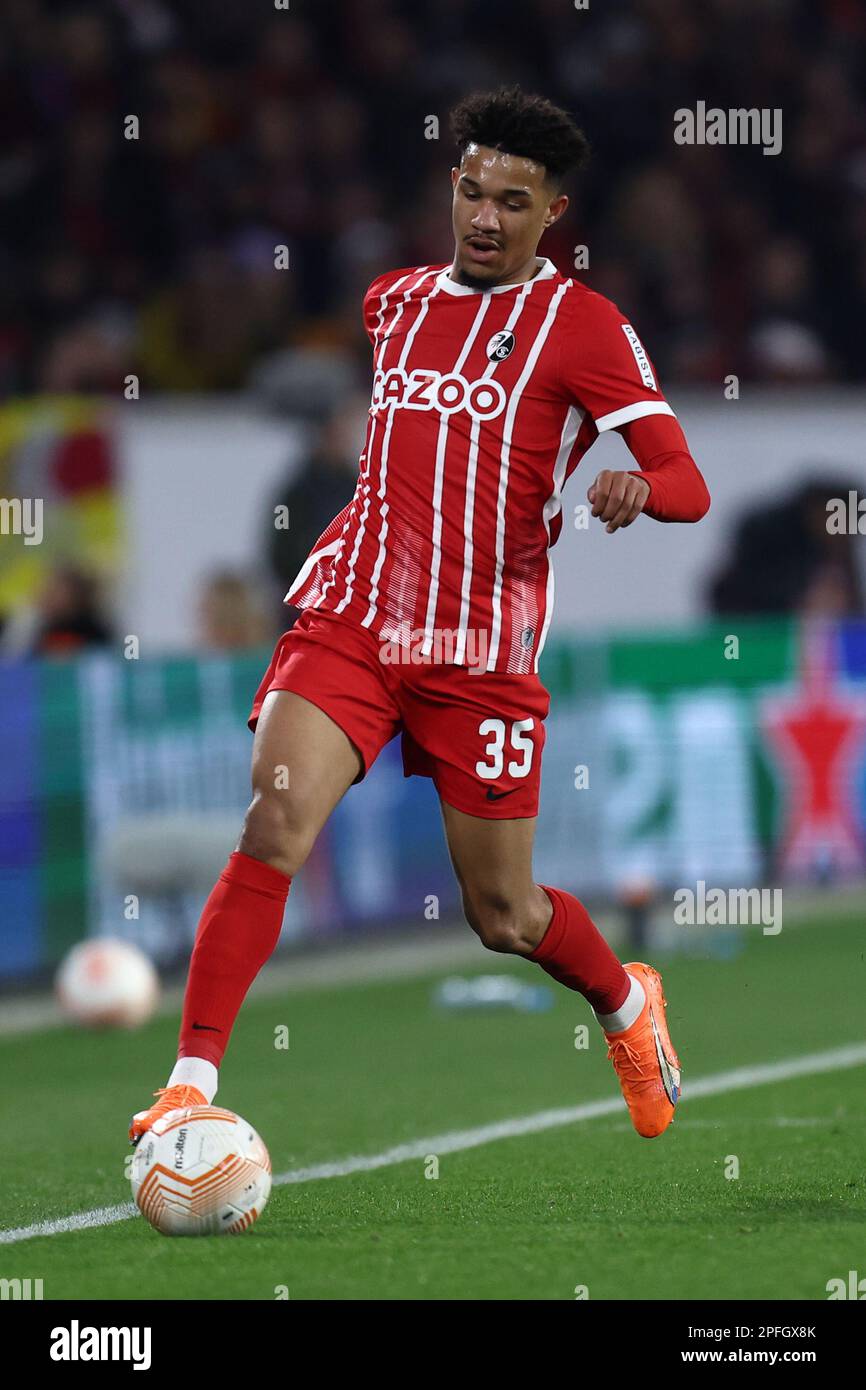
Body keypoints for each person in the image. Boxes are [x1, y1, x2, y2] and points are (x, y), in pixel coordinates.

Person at [130, 86, 710, 1148]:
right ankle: (191, 1083)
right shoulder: (392, 301)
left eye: (513, 202)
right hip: (350, 617)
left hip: (479, 651)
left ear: (553, 213)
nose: (486, 218)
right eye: (472, 193)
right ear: (452, 187)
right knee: (272, 824)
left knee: (504, 914)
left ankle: (626, 1004)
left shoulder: (582, 326)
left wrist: (637, 489)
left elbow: (685, 478)